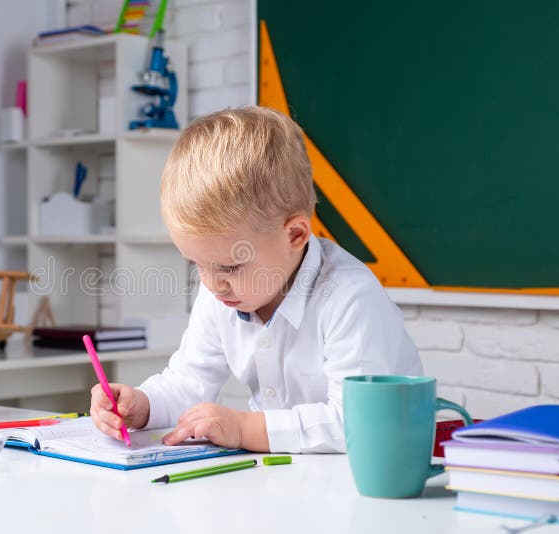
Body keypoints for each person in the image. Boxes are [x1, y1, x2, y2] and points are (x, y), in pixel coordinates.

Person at [90, 106, 421, 453]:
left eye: (230, 267)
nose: (213, 283)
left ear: (294, 235)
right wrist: (141, 406)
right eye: (197, 264)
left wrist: (245, 427)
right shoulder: (221, 292)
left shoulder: (350, 297)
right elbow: (189, 382)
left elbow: (356, 422)